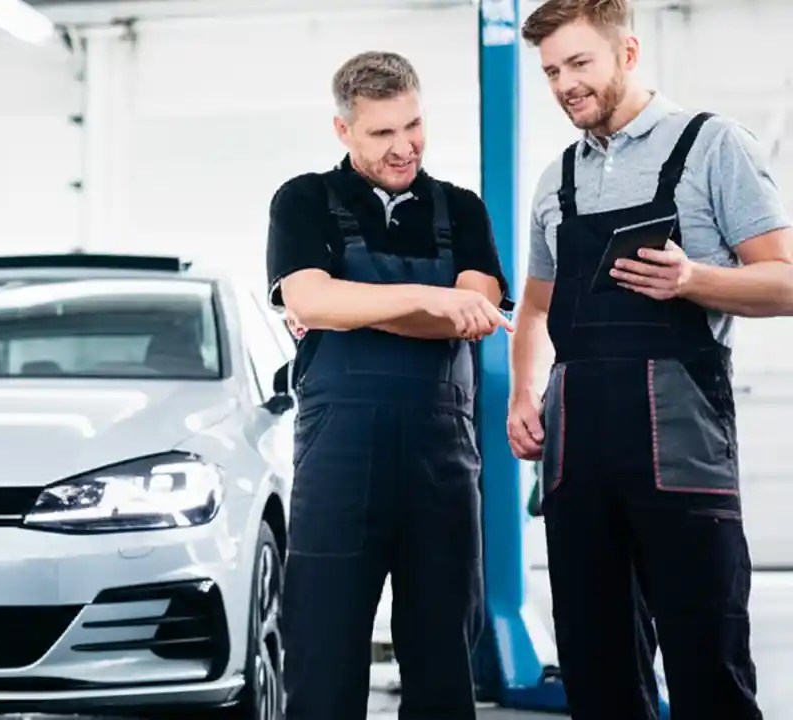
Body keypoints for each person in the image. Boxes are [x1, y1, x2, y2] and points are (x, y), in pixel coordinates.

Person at [509, 2, 793, 719]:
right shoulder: (557, 179)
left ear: (627, 53)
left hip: (681, 448)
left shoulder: (712, 146)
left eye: (579, 64)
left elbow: (785, 280)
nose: (565, 84)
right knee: (596, 668)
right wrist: (522, 392)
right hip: (576, 458)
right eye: (550, 72)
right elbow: (537, 310)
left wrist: (696, 280)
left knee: (708, 663)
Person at [267, 50, 514, 720]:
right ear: (344, 131)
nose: (405, 146)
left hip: (441, 465)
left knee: (441, 658)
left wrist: (357, 305)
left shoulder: (461, 210)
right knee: (321, 655)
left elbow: (476, 315)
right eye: (382, 133)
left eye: (413, 125)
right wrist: (432, 303)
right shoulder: (303, 201)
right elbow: (313, 301)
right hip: (338, 465)